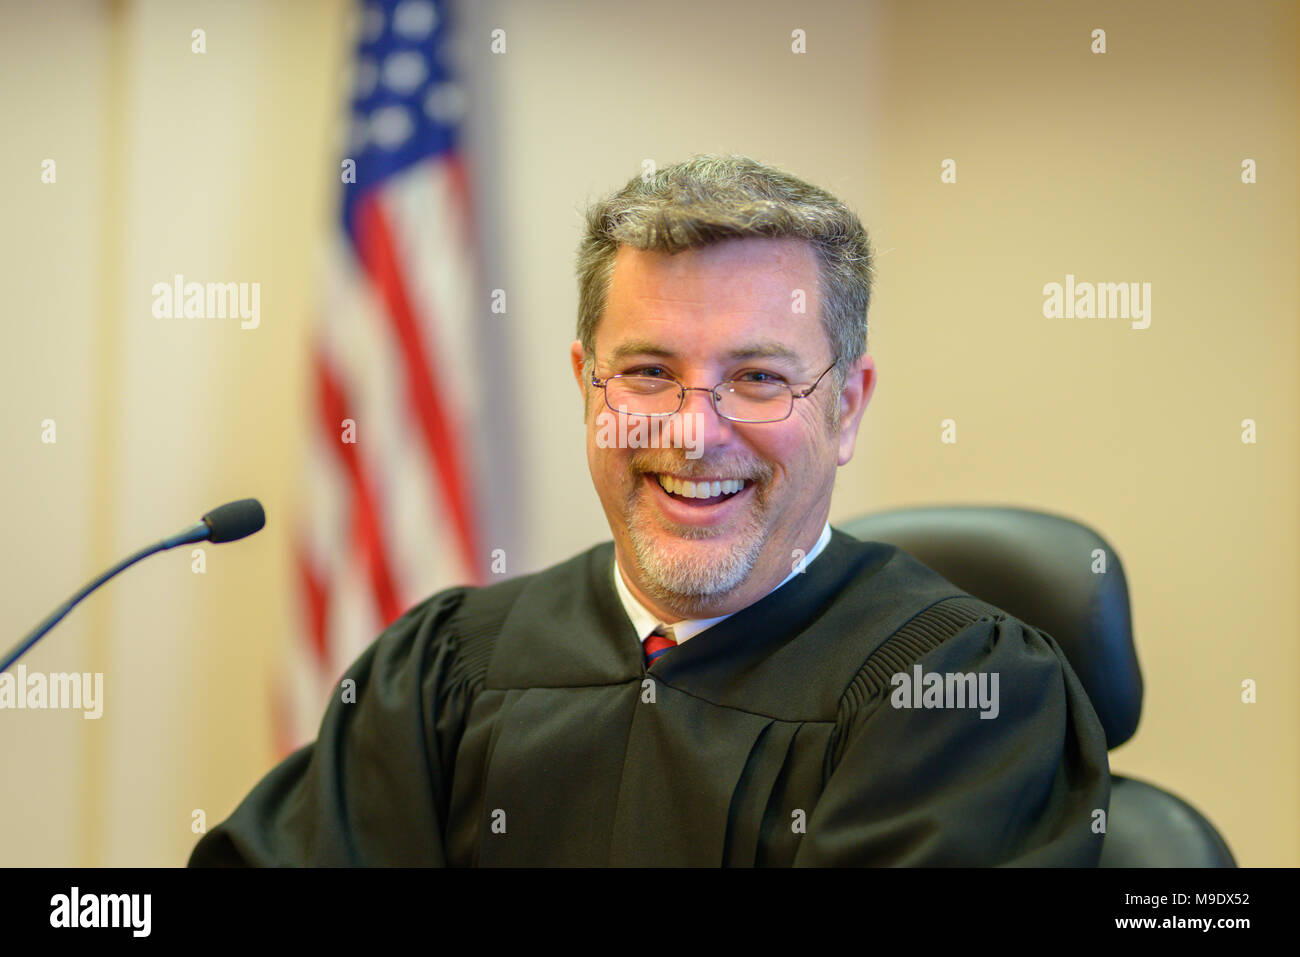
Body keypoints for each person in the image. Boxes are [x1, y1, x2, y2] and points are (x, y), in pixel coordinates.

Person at [190, 154, 1110, 866]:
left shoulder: (960, 693)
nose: (693, 432)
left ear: (848, 407)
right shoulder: (442, 671)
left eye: (757, 378)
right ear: (587, 385)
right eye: (648, 372)